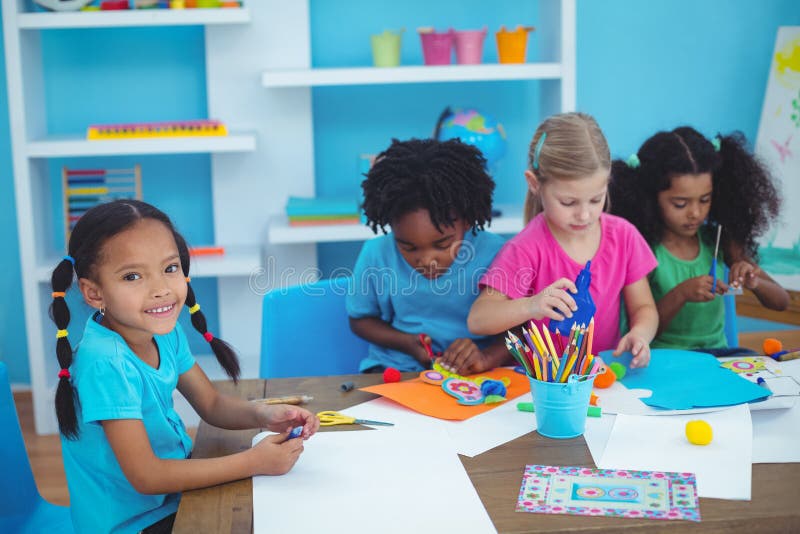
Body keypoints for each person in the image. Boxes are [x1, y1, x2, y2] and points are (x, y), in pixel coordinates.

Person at [51, 200, 319, 533]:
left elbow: (212, 404)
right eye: (133, 276)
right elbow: (146, 476)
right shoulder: (105, 363)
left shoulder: (164, 334)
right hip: (134, 523)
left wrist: (264, 415)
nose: (161, 289)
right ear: (94, 293)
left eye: (170, 268)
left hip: (175, 496)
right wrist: (254, 462)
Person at [468, 112, 659, 368]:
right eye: (568, 202)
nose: (584, 214)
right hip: (545, 379)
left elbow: (644, 308)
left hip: (604, 377)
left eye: (596, 199)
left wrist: (640, 334)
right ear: (534, 184)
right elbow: (479, 319)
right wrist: (531, 306)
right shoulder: (525, 248)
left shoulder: (624, 236)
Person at [609, 126, 789, 355]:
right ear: (650, 198)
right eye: (680, 204)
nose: (695, 213)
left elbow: (781, 302)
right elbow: (640, 330)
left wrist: (755, 283)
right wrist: (681, 294)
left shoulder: (719, 240)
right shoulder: (643, 249)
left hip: (718, 356)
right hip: (665, 358)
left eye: (705, 200)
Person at [347, 138, 511, 375]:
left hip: (479, 373)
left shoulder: (498, 254)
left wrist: (487, 356)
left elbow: (523, 328)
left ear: (466, 221)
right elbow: (360, 320)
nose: (426, 261)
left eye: (442, 244)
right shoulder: (377, 253)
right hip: (398, 369)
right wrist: (407, 343)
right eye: (408, 247)